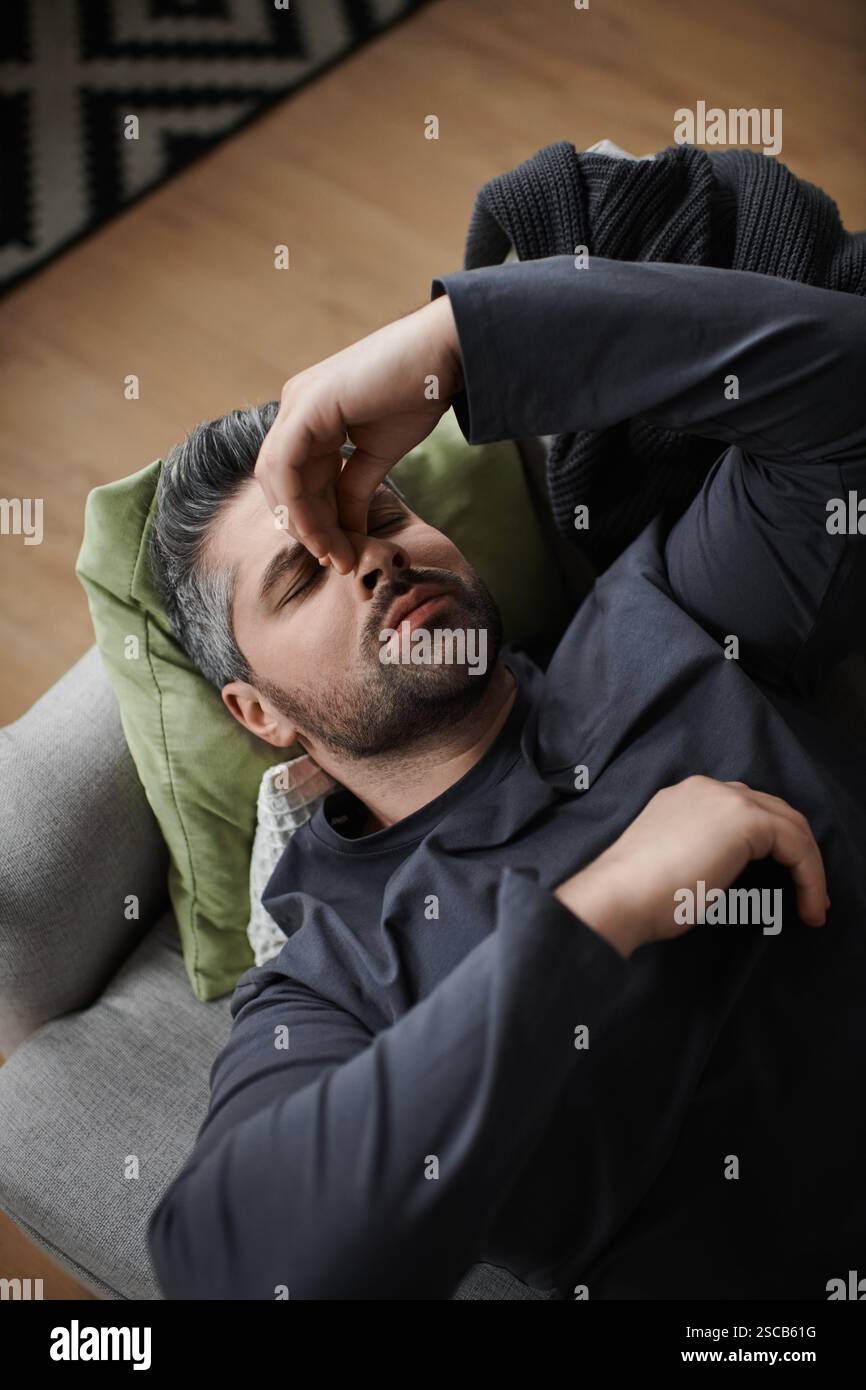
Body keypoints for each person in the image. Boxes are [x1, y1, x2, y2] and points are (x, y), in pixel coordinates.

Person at [146, 252, 866, 1300]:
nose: (372, 558)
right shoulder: (337, 980)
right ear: (259, 713)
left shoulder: (670, 612)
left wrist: (455, 346)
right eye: (304, 575)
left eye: (380, 514)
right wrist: (599, 911)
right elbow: (231, 1273)